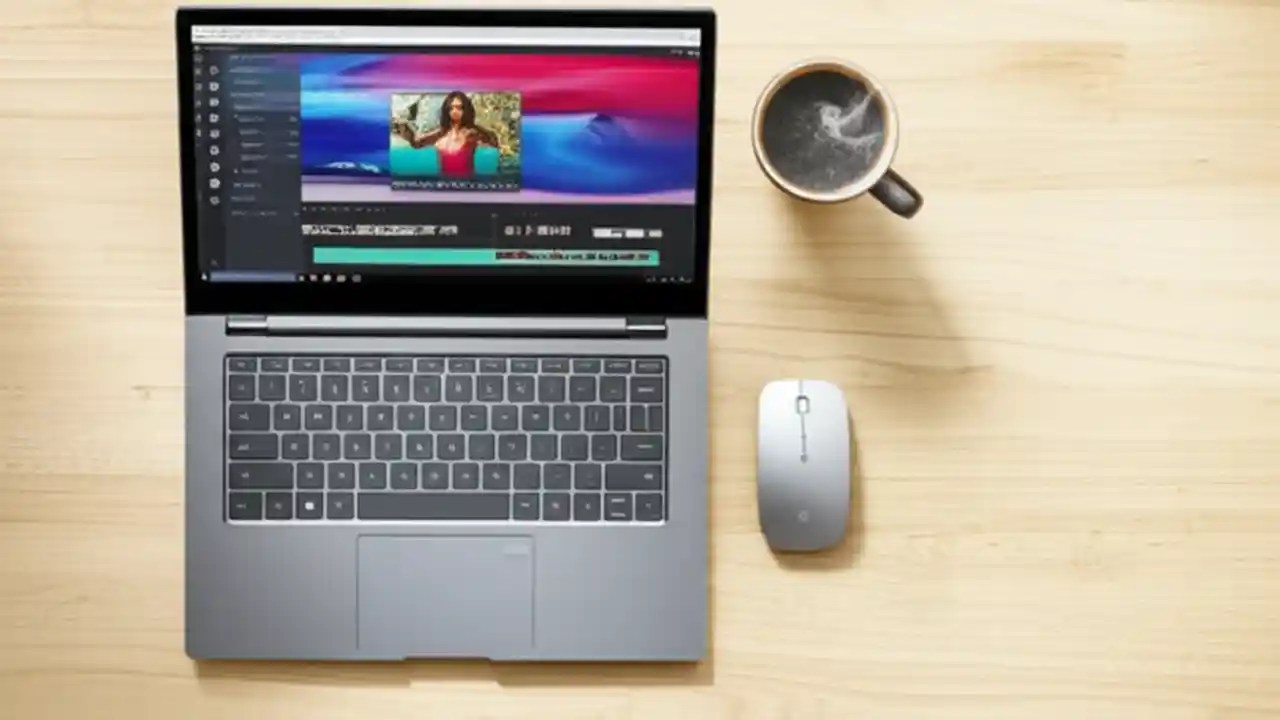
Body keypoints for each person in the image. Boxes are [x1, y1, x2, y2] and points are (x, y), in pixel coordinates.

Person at [392, 91, 499, 177]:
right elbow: (417, 144)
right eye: (451, 108)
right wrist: (406, 132)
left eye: (459, 107)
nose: (455, 111)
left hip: (468, 187)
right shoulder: (440, 133)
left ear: (465, 110)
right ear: (446, 110)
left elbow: (494, 140)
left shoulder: (472, 133)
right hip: (445, 185)